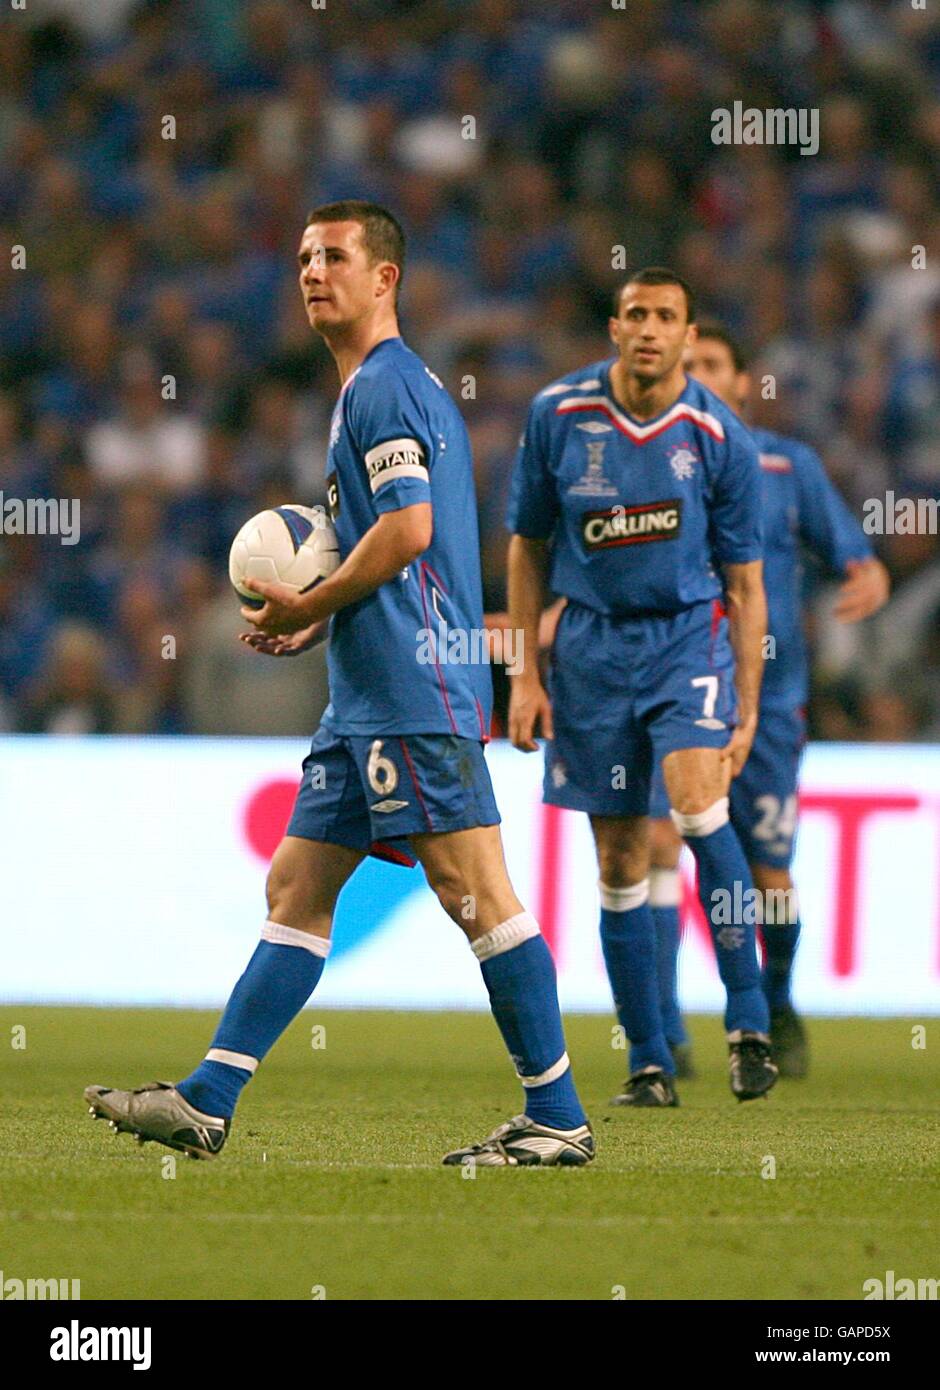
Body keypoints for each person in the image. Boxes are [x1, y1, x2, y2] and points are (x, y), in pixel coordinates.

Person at [85, 200, 593, 1169]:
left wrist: (314, 593)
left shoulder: (384, 389)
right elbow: (397, 544)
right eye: (305, 258)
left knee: (474, 889)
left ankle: (557, 1115)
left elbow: (408, 533)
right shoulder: (366, 388)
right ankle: (207, 1098)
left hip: (412, 688)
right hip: (365, 695)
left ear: (385, 278)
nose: (314, 272)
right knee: (297, 882)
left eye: (336, 257)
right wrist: (322, 611)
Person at [506, 267, 775, 1107]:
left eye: (666, 317)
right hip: (588, 652)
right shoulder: (558, 415)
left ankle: (749, 1024)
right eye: (635, 315)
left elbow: (745, 584)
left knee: (699, 810)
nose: (650, 329)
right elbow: (526, 548)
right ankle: (648, 1060)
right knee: (619, 861)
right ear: (614, 328)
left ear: (690, 336)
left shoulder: (718, 436)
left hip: (684, 641)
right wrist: (525, 672)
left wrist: (748, 703)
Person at [648, 322, 889, 1079]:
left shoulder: (788, 465)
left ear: (746, 381)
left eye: (714, 364)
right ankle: (661, 1036)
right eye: (688, 366)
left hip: (768, 701)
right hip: (671, 688)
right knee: (656, 851)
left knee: (768, 875)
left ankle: (775, 1001)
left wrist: (865, 573)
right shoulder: (650, 463)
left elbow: (853, 553)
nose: (700, 375)